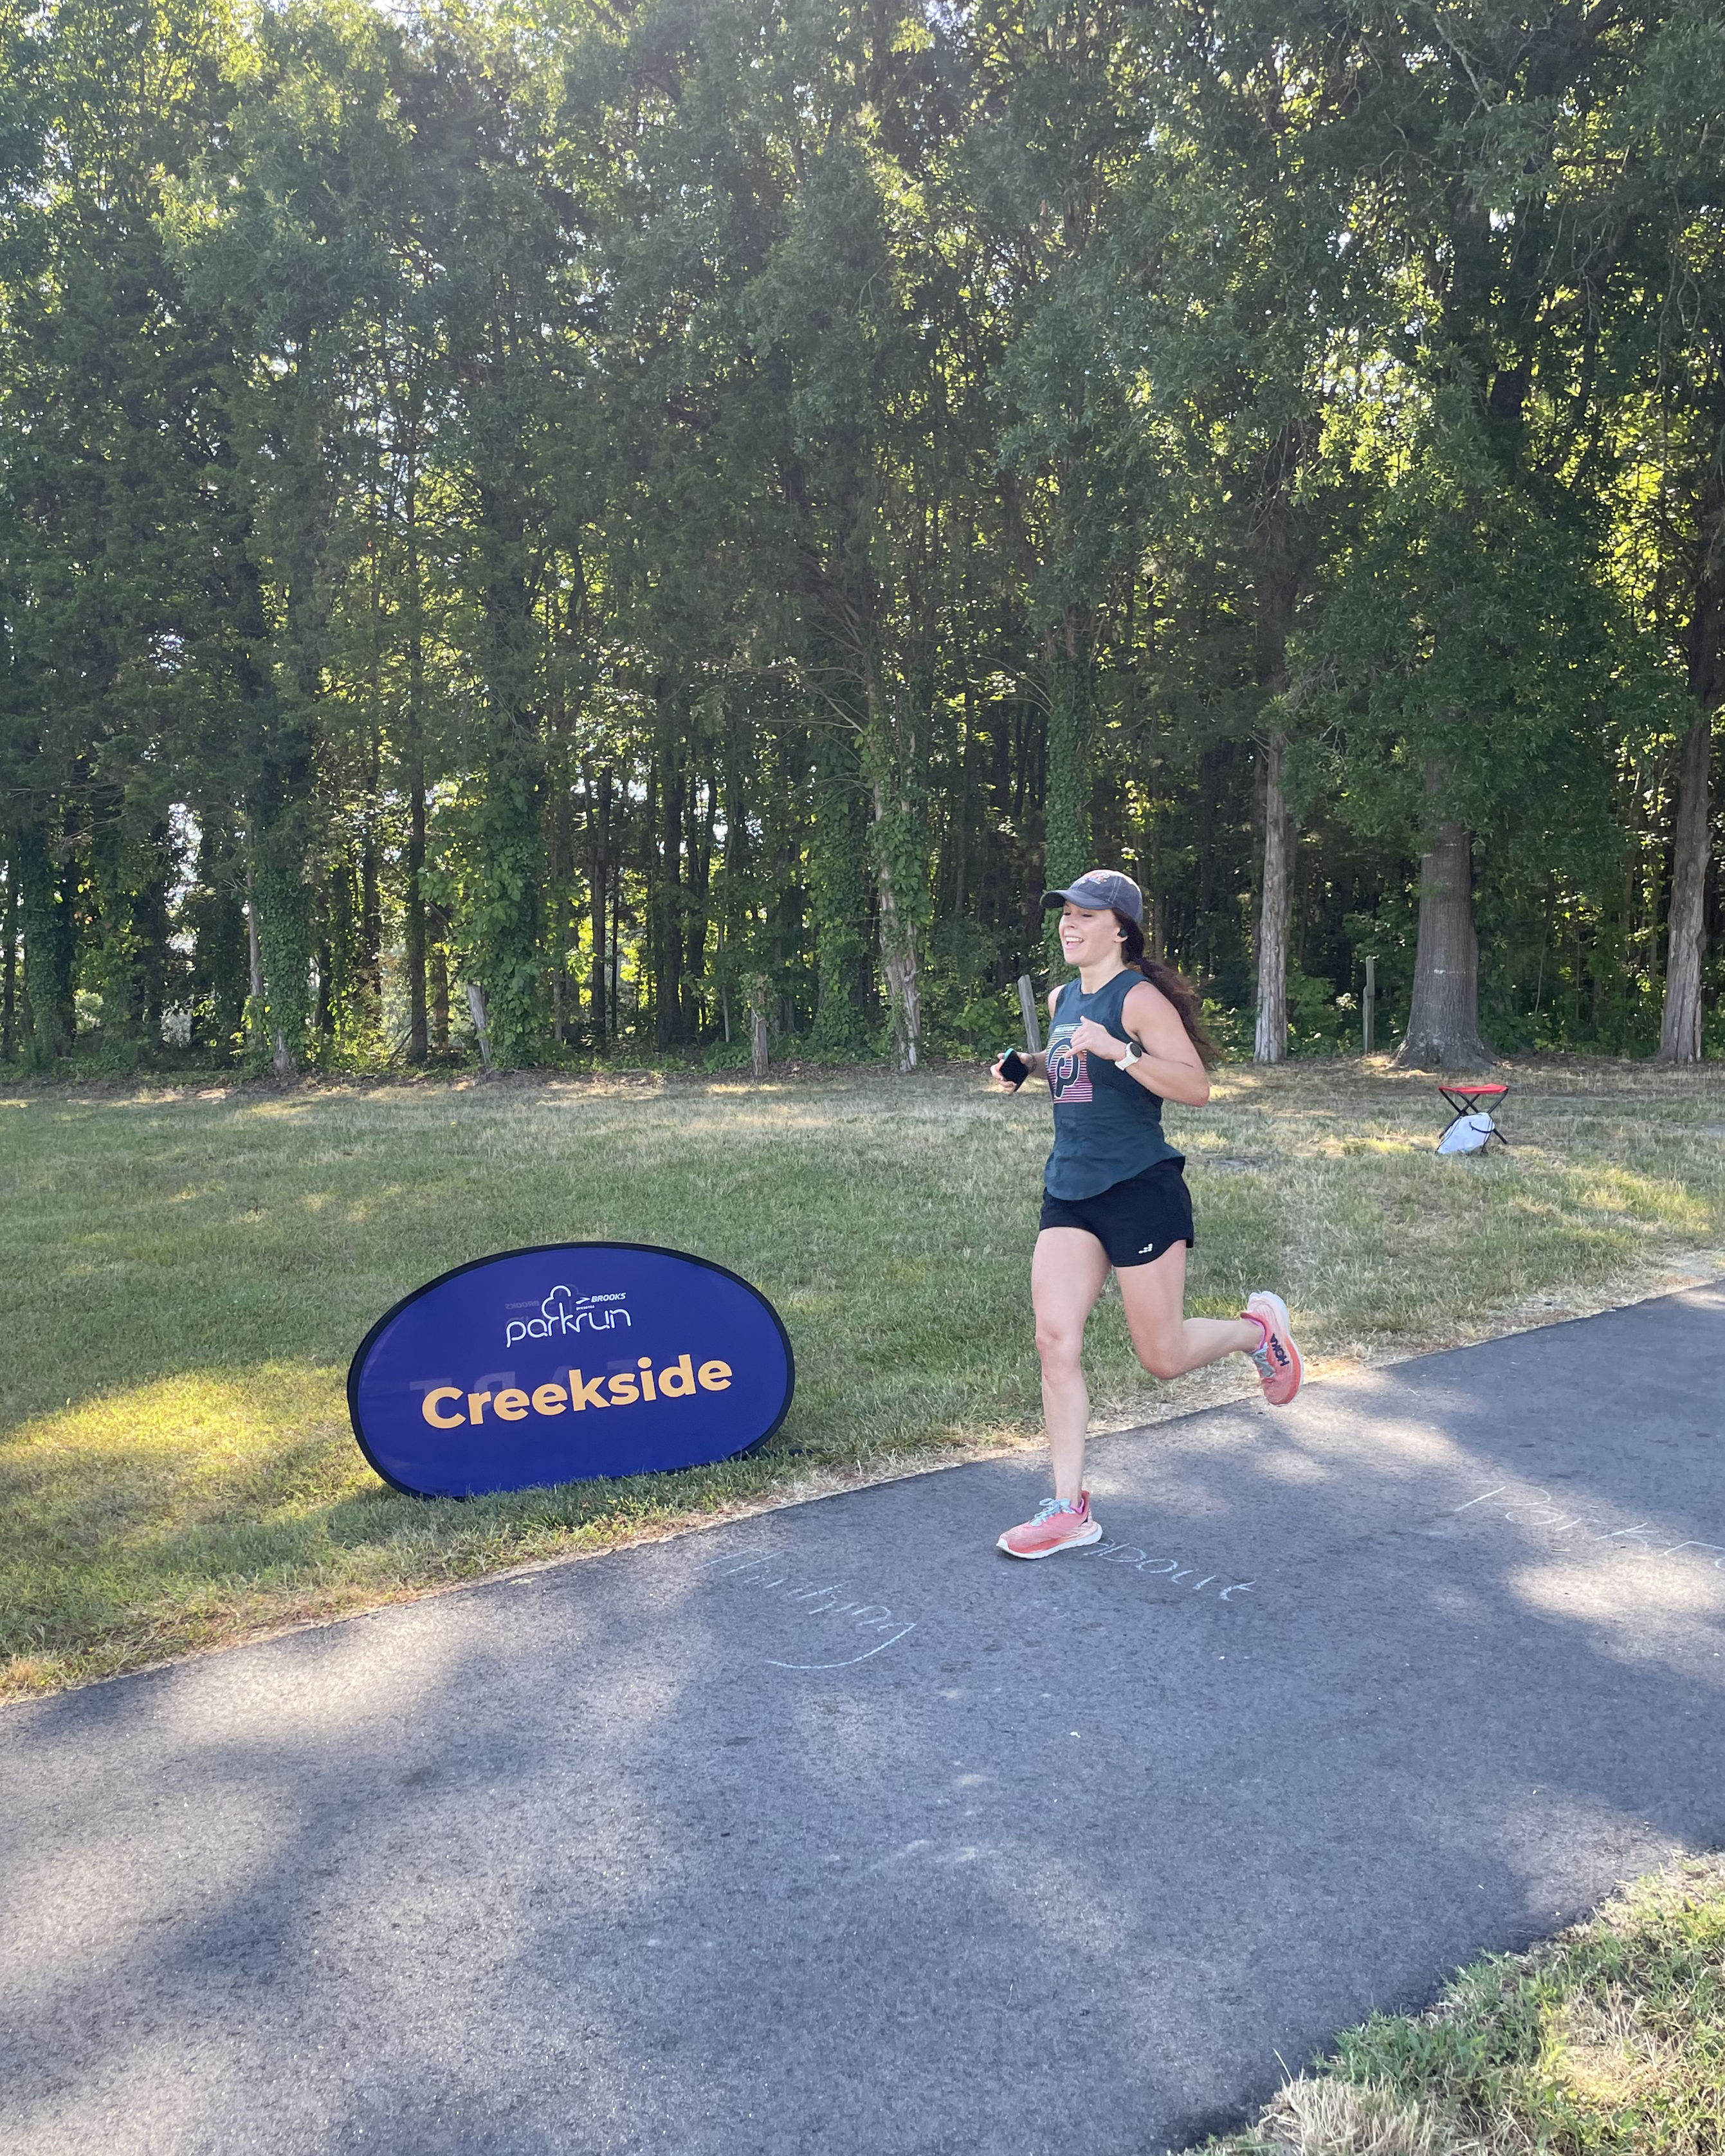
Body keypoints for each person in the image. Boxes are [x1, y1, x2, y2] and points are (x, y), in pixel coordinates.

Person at [990, 869, 1302, 1560]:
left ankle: (1258, 1333)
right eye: (1064, 915)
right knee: (1054, 1338)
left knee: (1161, 1357)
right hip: (1070, 1189)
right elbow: (1071, 1057)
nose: (1068, 925)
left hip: (1139, 1187)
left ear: (1120, 929)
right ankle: (1068, 1507)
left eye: (1084, 916)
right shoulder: (1063, 994)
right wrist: (1028, 1064)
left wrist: (1123, 1052)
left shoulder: (1140, 1000)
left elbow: (1196, 1087)